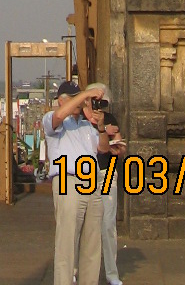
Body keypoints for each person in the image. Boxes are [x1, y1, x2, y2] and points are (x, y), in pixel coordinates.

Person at [42, 80, 120, 285]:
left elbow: (103, 149)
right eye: (74, 98)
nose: (81, 102)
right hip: (67, 180)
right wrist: (85, 94)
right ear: (62, 100)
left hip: (91, 182)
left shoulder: (87, 125)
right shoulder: (52, 120)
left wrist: (101, 128)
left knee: (92, 244)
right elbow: (59, 116)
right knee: (67, 243)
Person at [100, 105, 127, 285]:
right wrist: (103, 132)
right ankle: (75, 270)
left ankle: (111, 273)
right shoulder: (80, 121)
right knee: (80, 223)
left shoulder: (109, 118)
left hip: (108, 171)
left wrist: (116, 147)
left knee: (108, 224)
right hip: (85, 173)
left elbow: (120, 145)